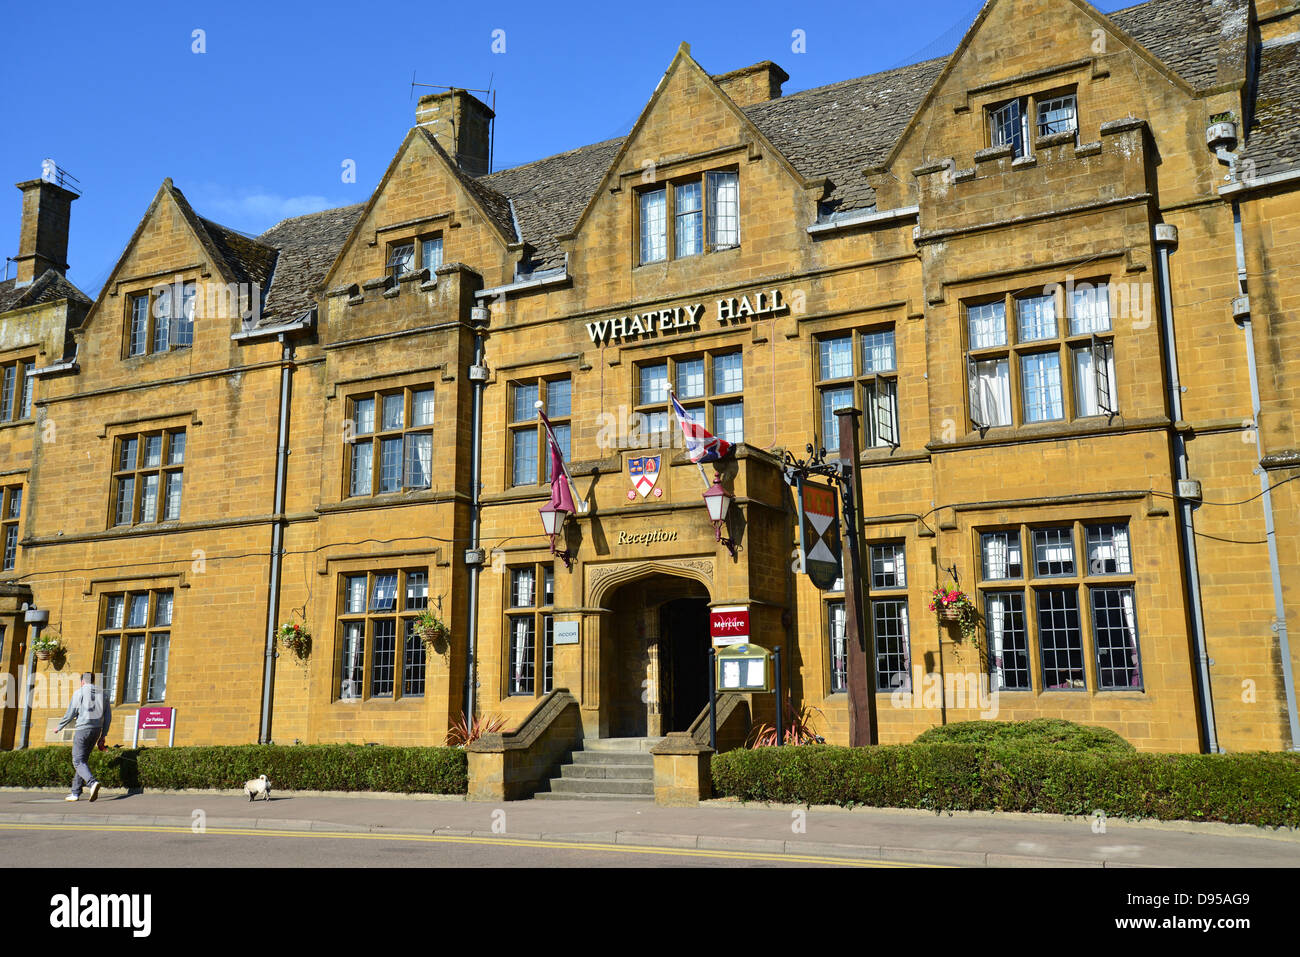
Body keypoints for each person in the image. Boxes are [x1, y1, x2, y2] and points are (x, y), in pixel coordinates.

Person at [56, 673, 112, 802]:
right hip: (96, 730)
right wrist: (103, 735)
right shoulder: (103, 694)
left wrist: (59, 726)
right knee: (82, 762)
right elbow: (108, 717)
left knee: (77, 761)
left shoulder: (79, 693)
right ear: (93, 681)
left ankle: (92, 783)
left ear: (82, 681)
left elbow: (71, 712)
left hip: (83, 729)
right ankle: (75, 793)